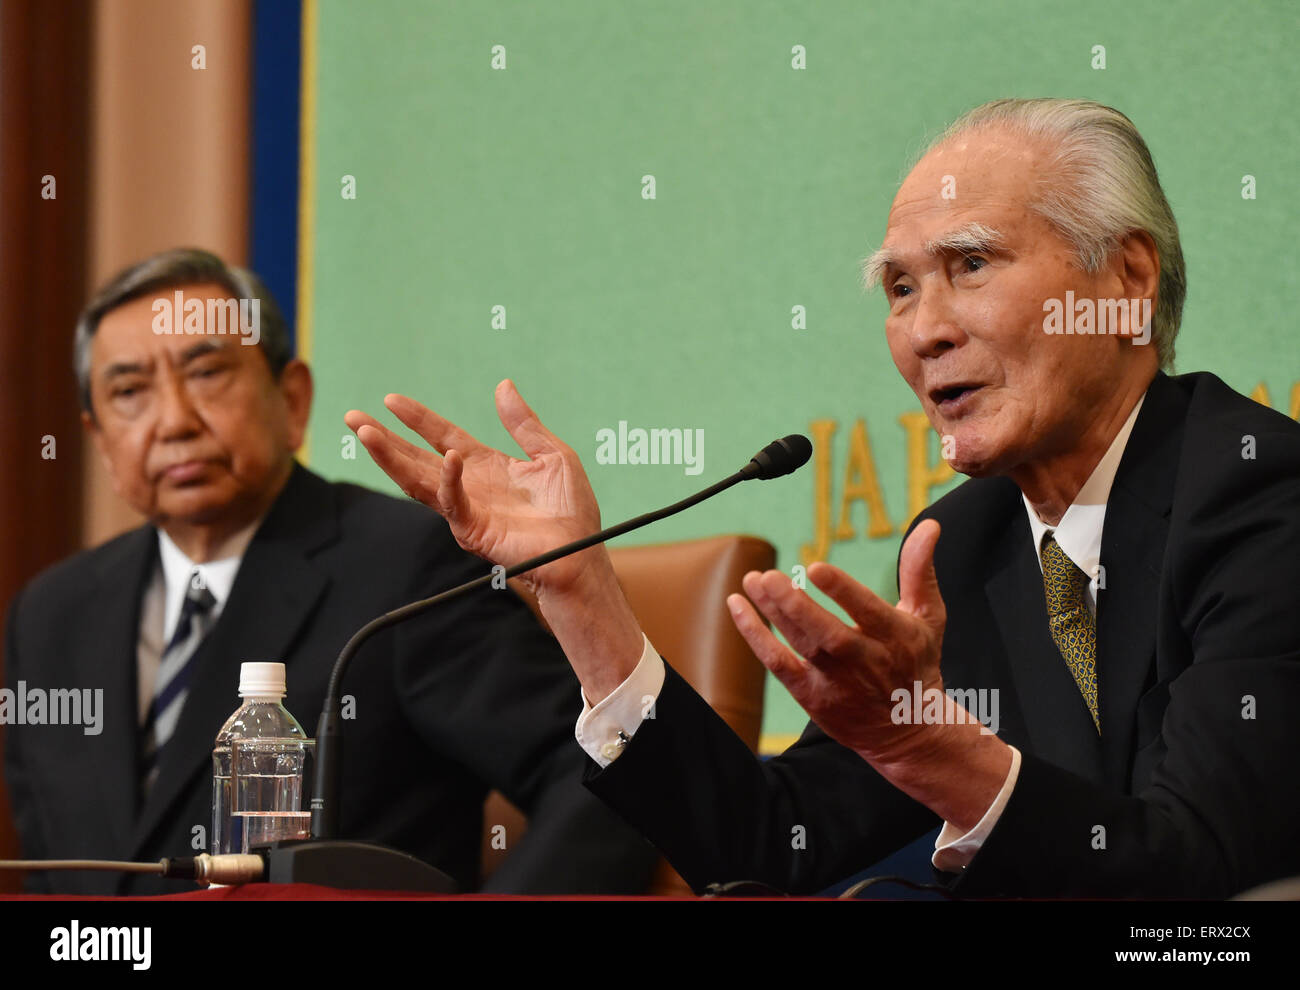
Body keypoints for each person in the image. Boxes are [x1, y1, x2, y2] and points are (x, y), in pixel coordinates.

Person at [345, 98, 1300, 898]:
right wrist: (579, 593)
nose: (925, 331)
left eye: (970, 264)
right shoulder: (964, 545)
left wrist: (931, 750)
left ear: (1126, 280)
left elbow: (1200, 883)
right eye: (897, 288)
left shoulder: (1259, 495)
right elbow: (777, 843)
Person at [3, 248, 658, 895]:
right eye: (130, 391)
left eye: (206, 373)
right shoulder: (50, 615)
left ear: (291, 400)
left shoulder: (407, 566)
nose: (173, 420)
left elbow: (604, 781)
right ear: (98, 440)